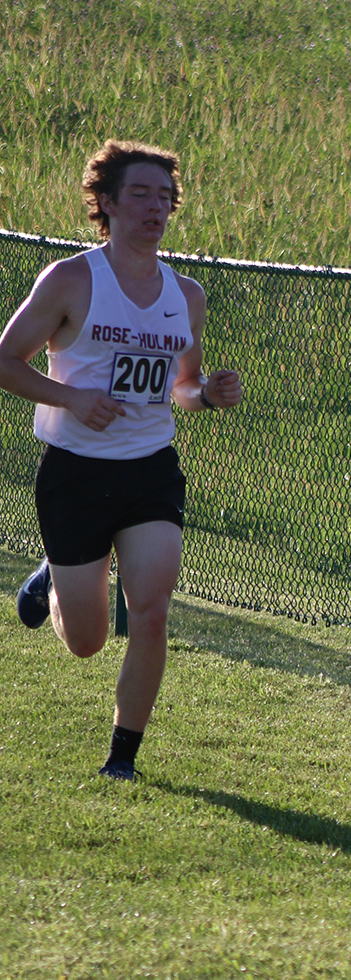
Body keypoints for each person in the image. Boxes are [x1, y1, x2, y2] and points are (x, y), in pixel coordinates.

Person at [0, 140, 243, 780]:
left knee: (153, 608)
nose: (155, 208)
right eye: (140, 194)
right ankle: (55, 574)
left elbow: (180, 387)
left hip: (148, 469)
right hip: (75, 471)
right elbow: (6, 360)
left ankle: (122, 758)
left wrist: (206, 395)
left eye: (165, 197)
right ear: (105, 203)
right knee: (86, 642)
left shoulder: (185, 295)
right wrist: (72, 398)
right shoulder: (72, 279)